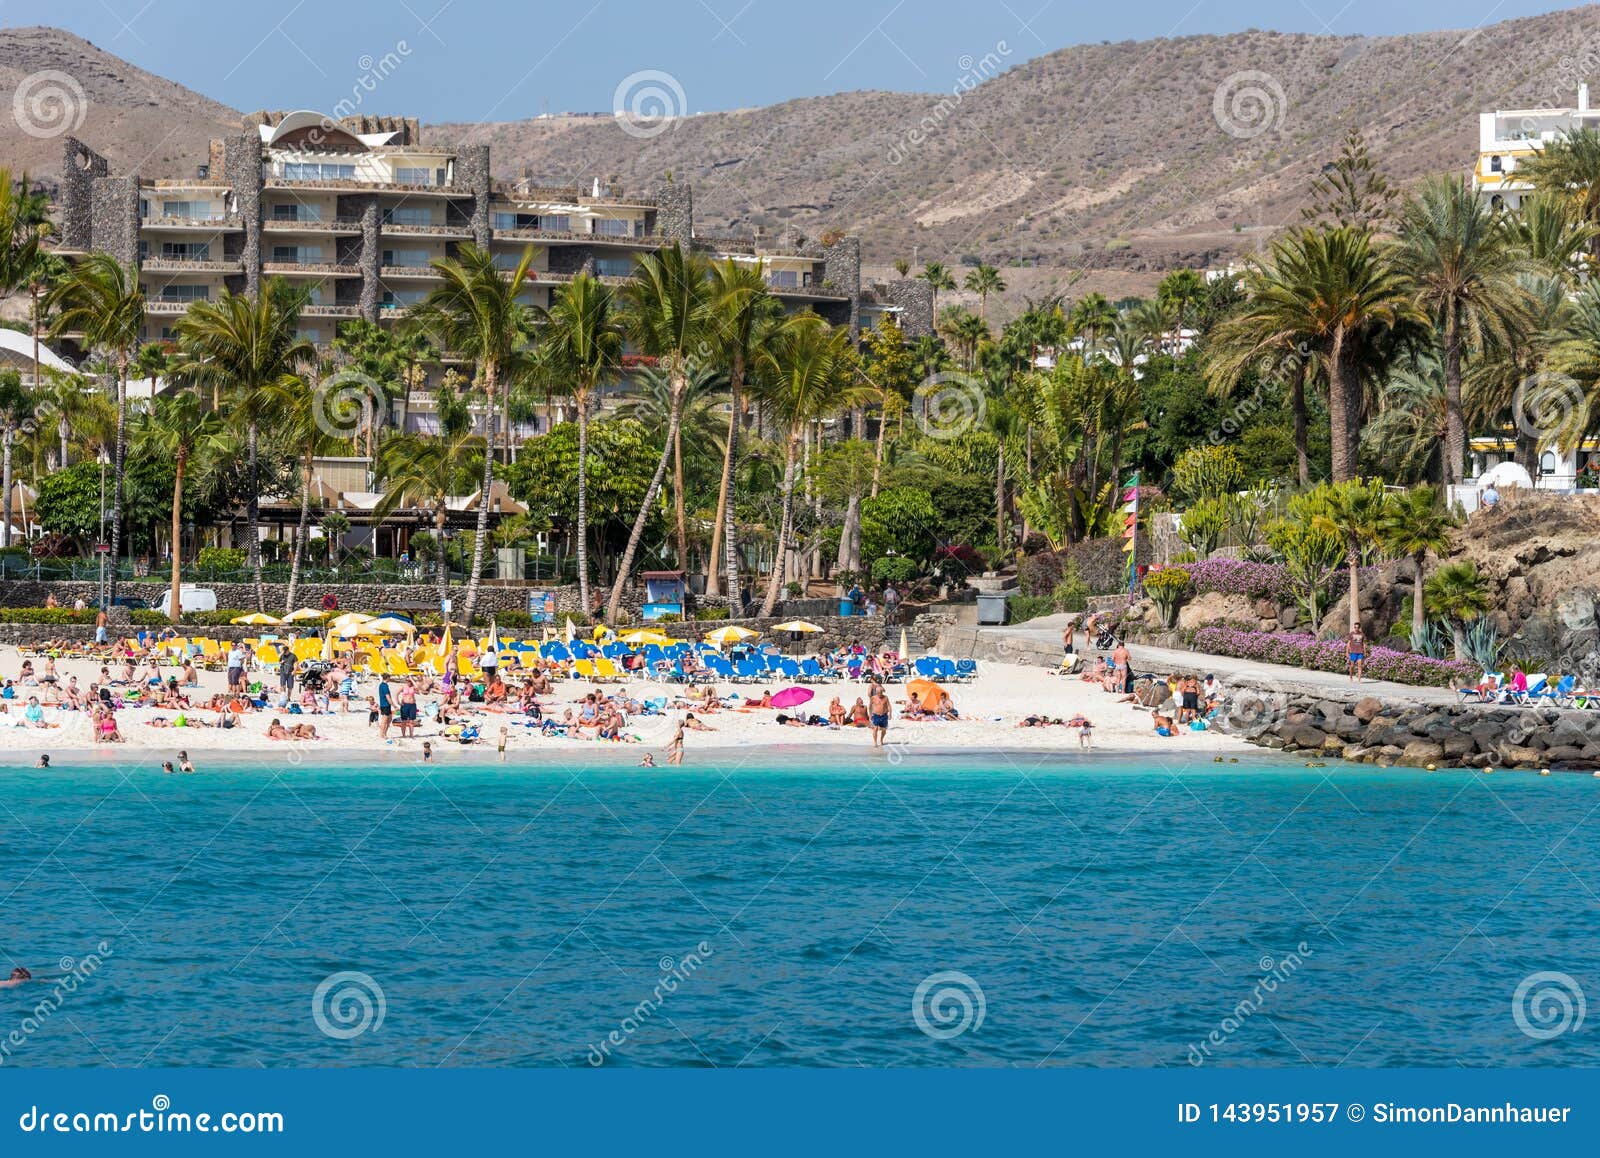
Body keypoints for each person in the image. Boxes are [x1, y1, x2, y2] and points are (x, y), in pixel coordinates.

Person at [376, 675, 393, 740]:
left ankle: (384, 733)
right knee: (384, 721)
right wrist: (394, 705)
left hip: (383, 705)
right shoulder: (385, 686)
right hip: (386, 705)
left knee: (389, 719)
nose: (390, 679)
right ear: (387, 678)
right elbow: (387, 697)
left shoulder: (381, 685)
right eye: (389, 678)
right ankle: (382, 734)